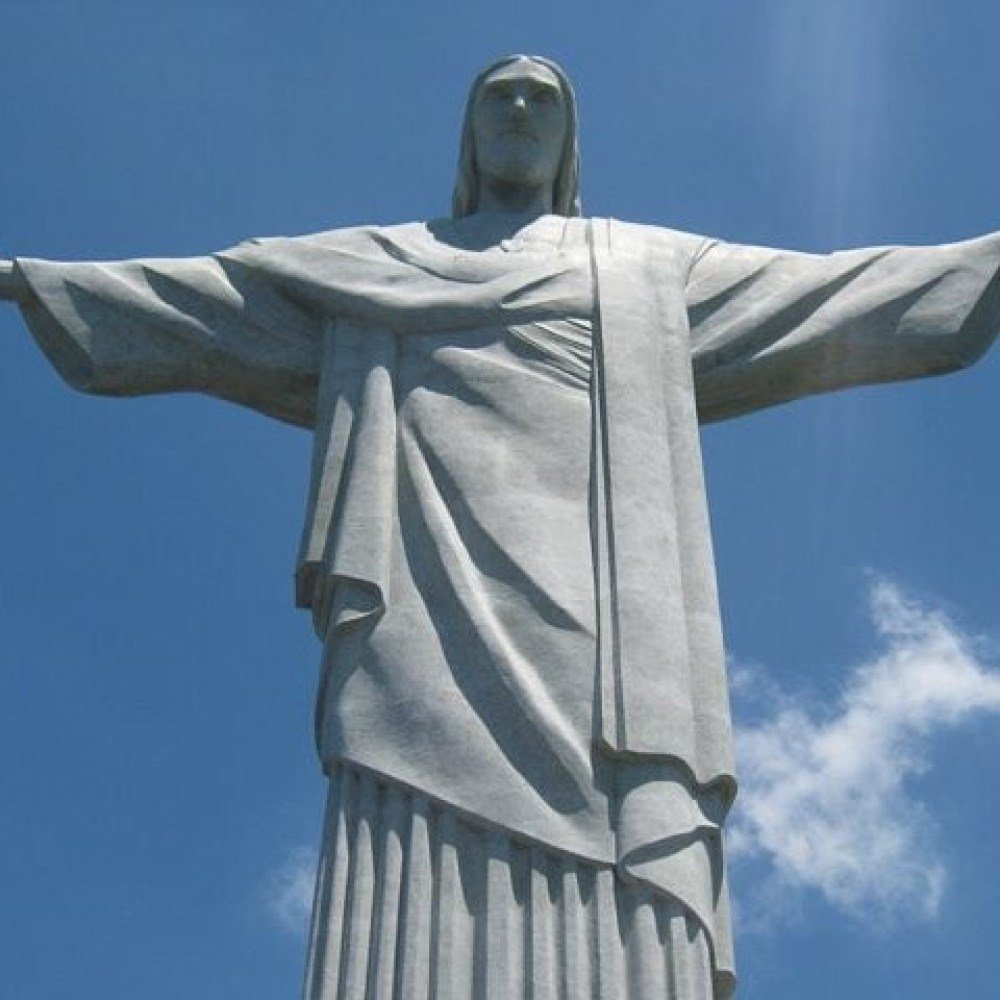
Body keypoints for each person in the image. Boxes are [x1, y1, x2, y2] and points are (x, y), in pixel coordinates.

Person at [2, 54, 999, 1000]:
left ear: (569, 142)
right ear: (467, 135)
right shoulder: (379, 263)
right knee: (405, 795)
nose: (519, 115)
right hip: (421, 590)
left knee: (624, 820)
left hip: (608, 607)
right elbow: (208, 298)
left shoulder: (645, 266)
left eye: (541, 102)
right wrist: (31, 279)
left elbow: (834, 290)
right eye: (499, 99)